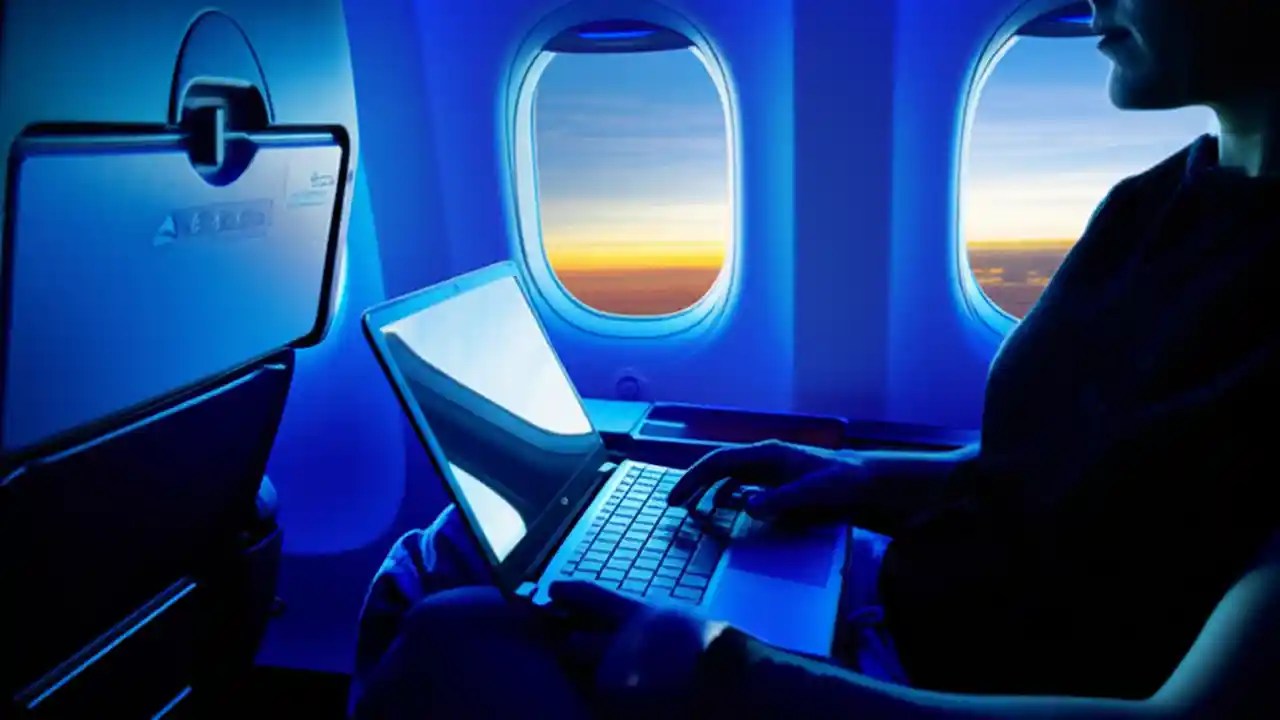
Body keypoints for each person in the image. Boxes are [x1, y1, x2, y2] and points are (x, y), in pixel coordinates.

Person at [350, 0, 1280, 716]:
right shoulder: (1152, 205)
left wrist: (733, 667)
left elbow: (1190, 715)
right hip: (907, 595)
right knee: (446, 552)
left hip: (942, 687)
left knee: (444, 637)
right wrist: (850, 478)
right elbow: (1052, 473)